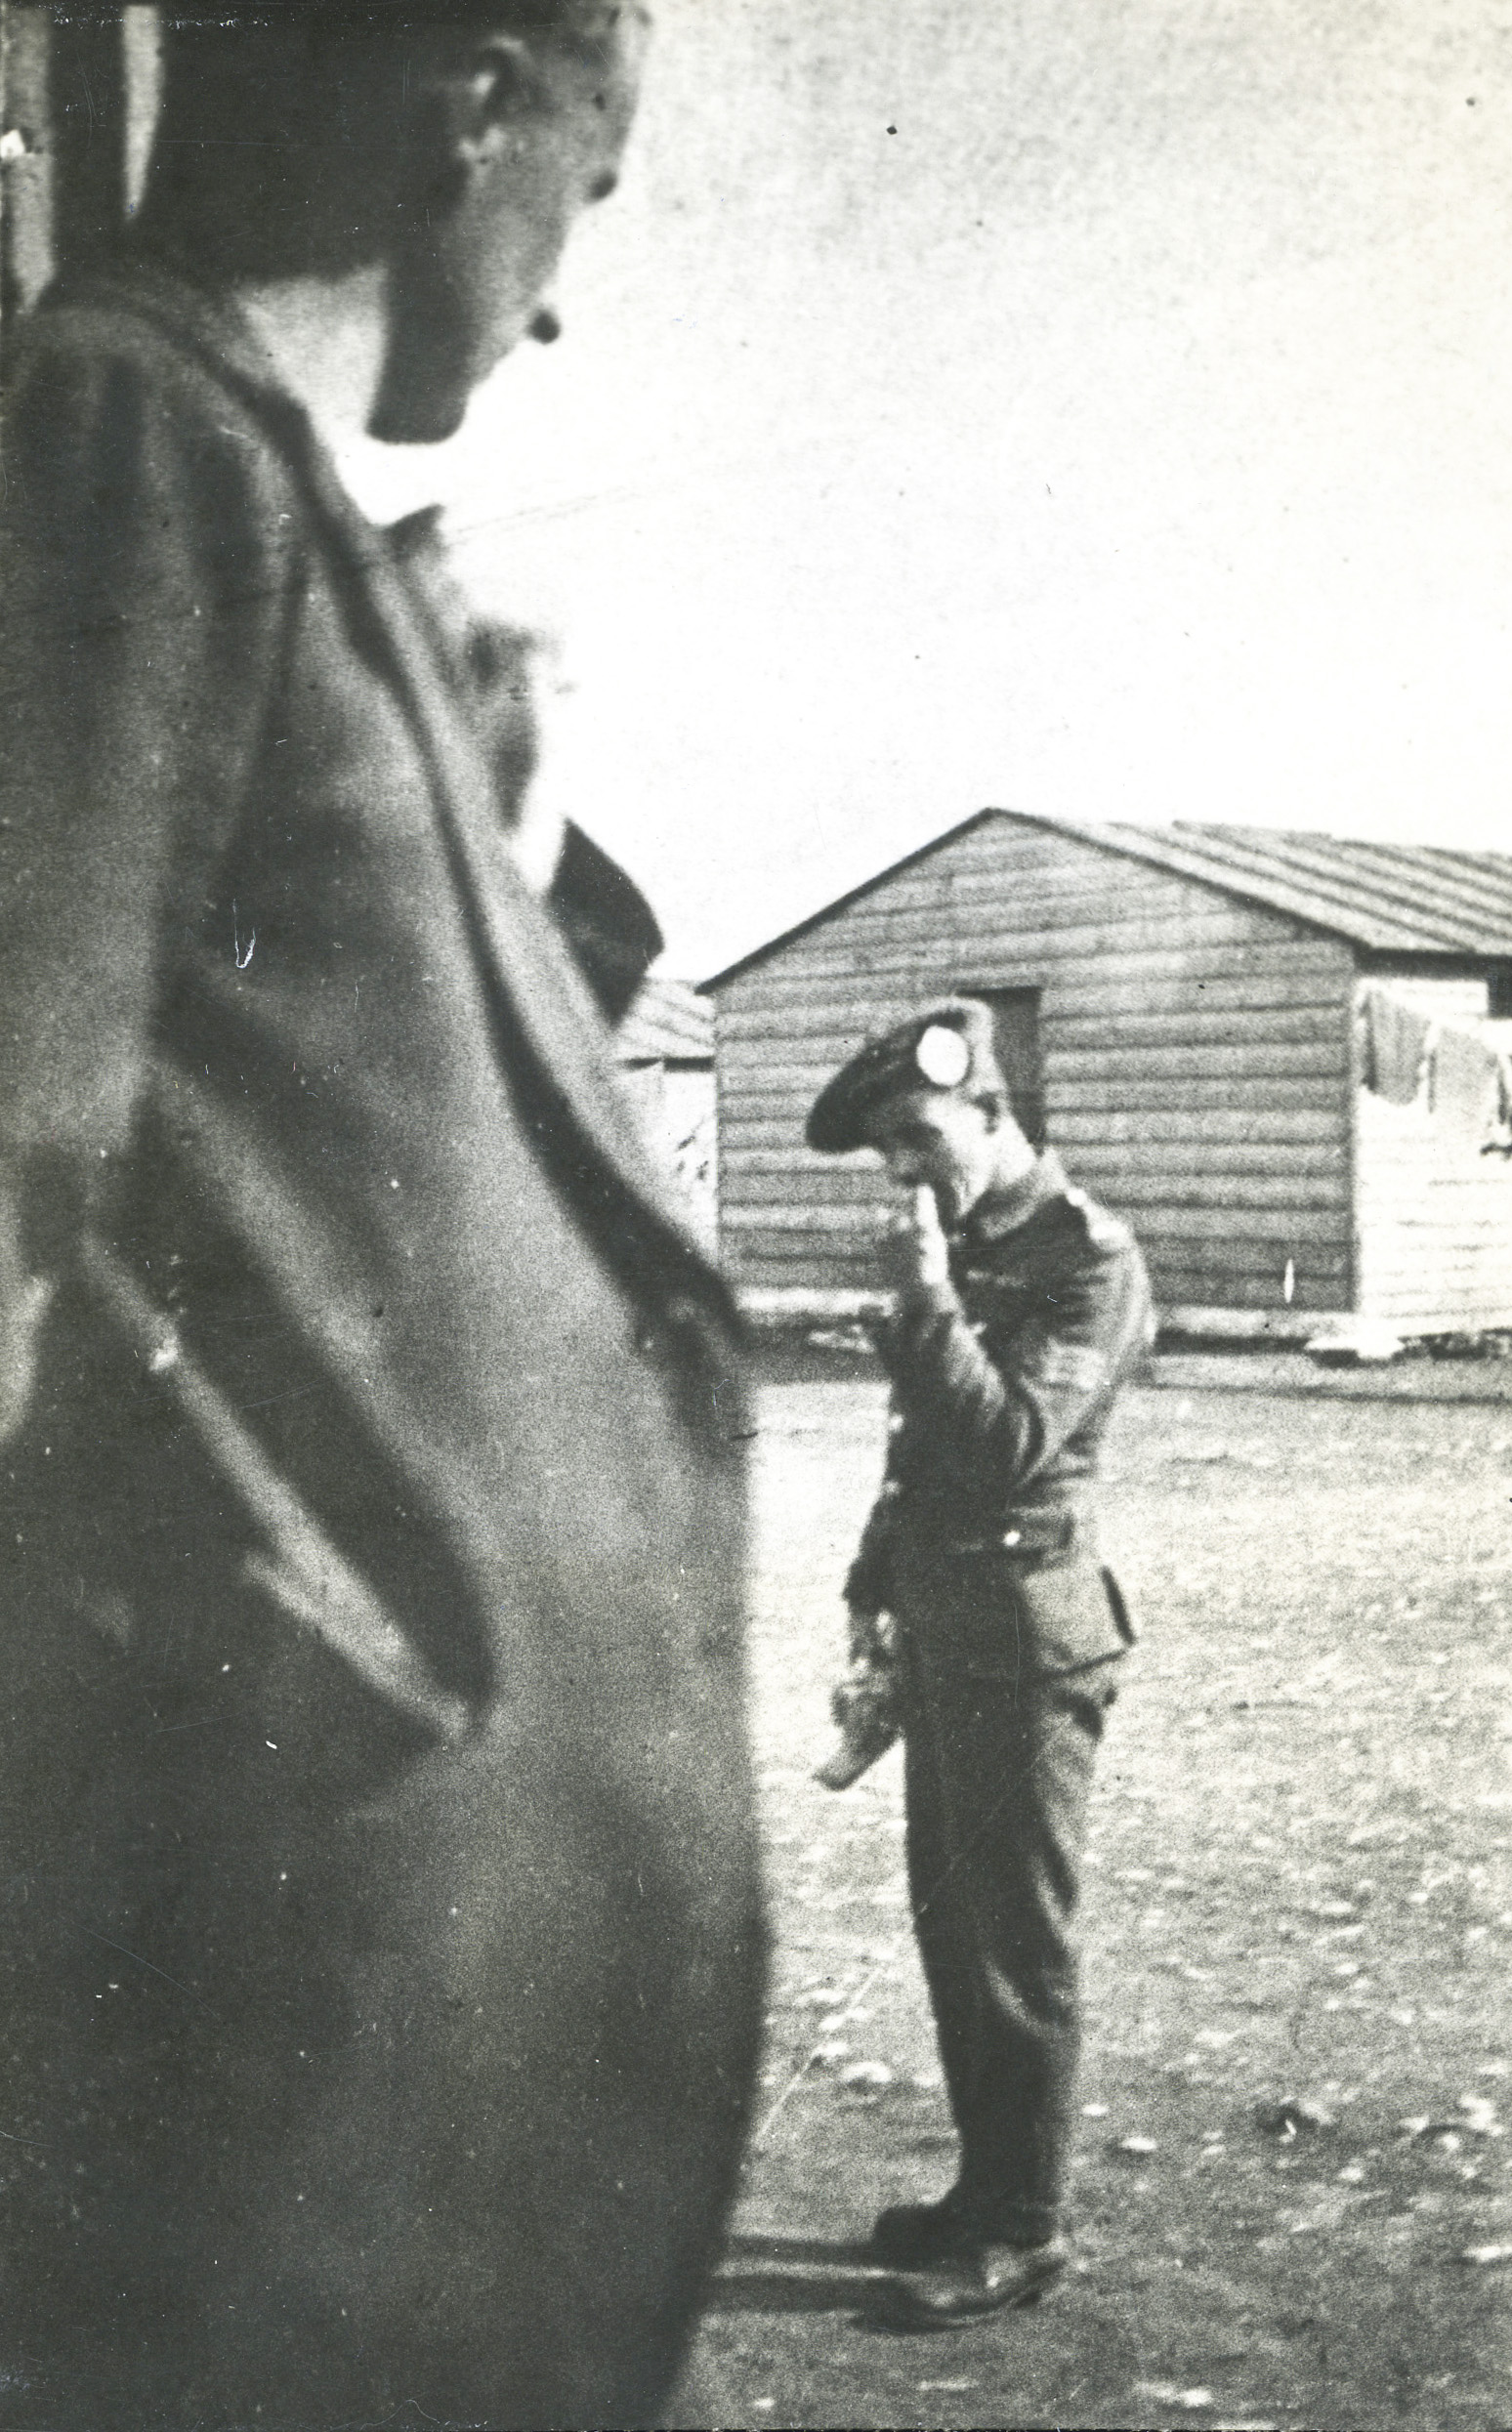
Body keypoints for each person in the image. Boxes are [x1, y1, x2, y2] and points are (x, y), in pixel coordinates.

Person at [0, 6, 763, 2425]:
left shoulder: (247, 484)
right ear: (472, 109)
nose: (548, 302)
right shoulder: (130, 428)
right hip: (292, 2041)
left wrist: (492, 830)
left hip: (415, 2070)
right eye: (582, 195)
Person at [807, 998, 1154, 2329]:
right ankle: (983, 2185)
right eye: (887, 1149)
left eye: (917, 1136)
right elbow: (921, 1452)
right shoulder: (967, 1245)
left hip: (1028, 1638)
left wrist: (924, 1294)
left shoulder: (1087, 1257)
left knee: (1016, 1939)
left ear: (994, 1111)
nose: (903, 1170)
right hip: (949, 1626)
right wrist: (870, 1588)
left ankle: (1025, 2228)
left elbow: (1007, 1441)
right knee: (956, 1926)